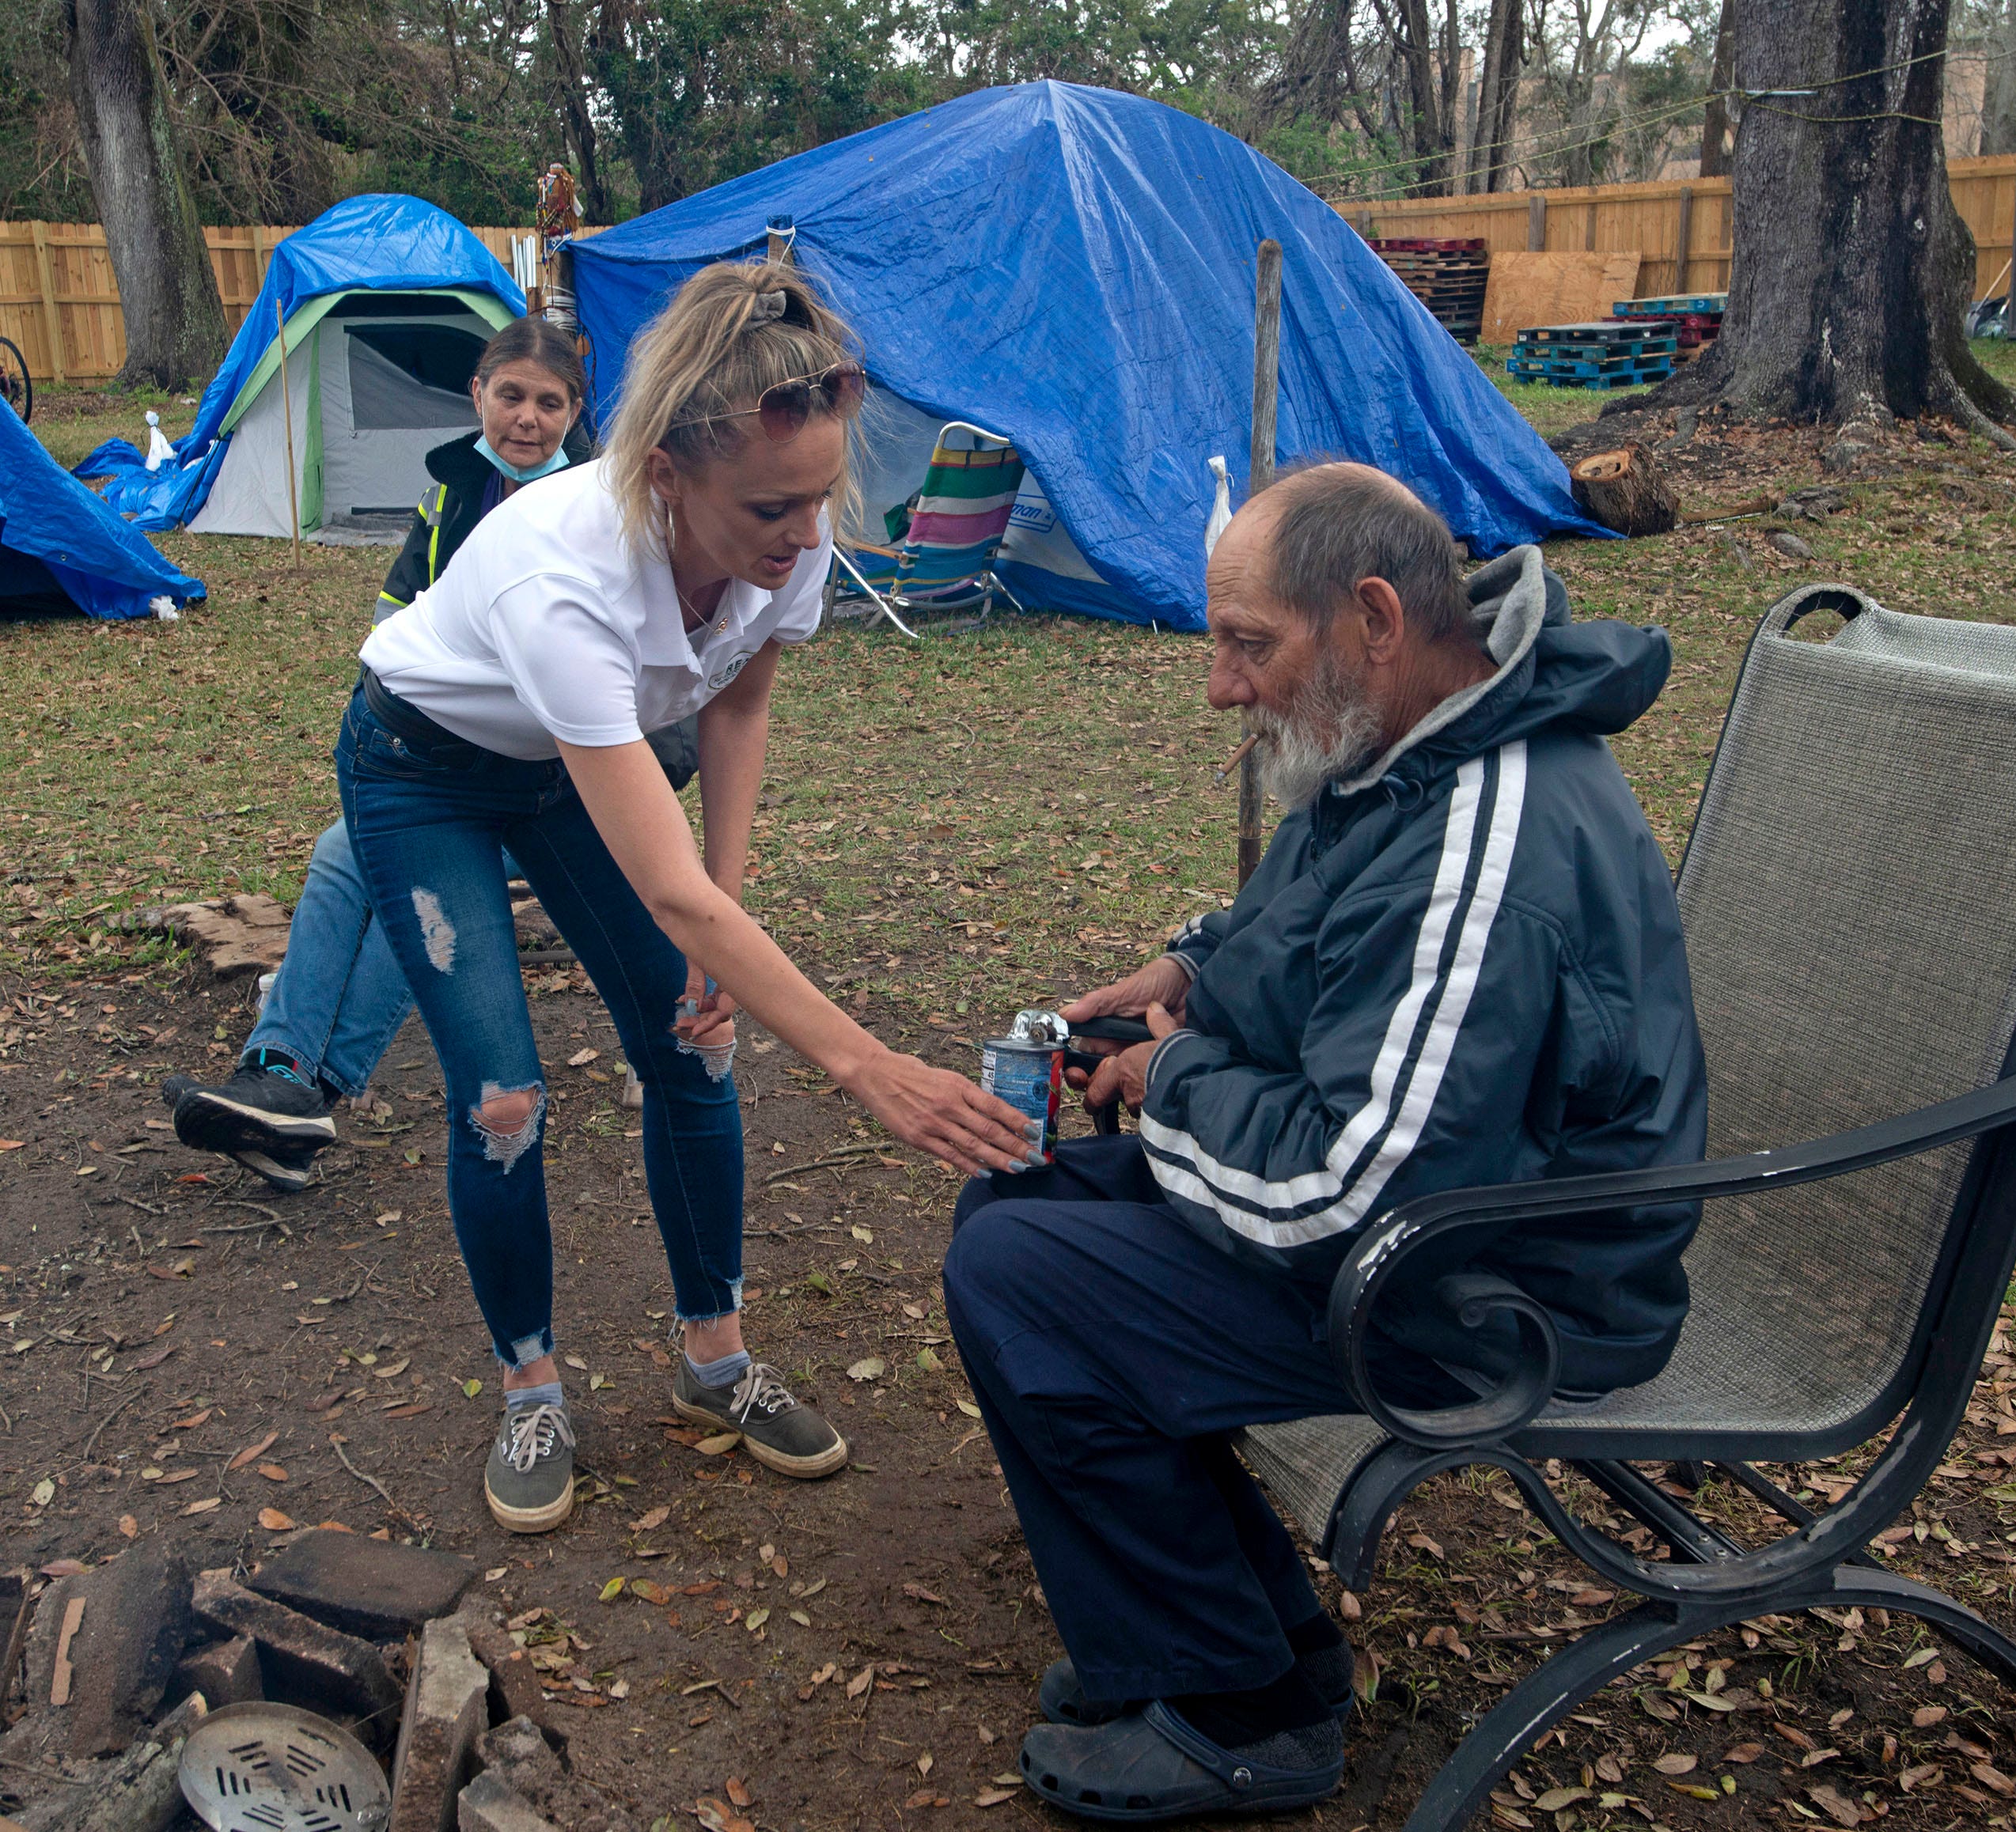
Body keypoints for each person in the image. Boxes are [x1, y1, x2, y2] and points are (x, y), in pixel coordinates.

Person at [939, 464, 1708, 1823]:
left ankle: (1253, 1713)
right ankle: (1233, 1637)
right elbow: (1323, 932)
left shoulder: (1491, 842)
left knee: (1027, 1277)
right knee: (1015, 1205)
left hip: (1501, 1289)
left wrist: (1172, 1073)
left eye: (1248, 644)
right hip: (1443, 1216)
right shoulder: (1418, 734)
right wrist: (1191, 972)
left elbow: (1344, 1193)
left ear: (1370, 616)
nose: (1222, 686)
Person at [339, 259, 1036, 1534]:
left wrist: (729, 891)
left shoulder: (789, 536)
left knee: (696, 1042)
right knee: (503, 1096)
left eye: (820, 499)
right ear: (665, 470)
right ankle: (529, 1383)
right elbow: (662, 887)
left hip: (567, 770)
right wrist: (867, 1066)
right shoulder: (566, 580)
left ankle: (715, 1359)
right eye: (772, 506)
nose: (805, 535)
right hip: (423, 772)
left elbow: (742, 694)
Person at [162, 320, 699, 1190]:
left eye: (549, 402)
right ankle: (291, 1086)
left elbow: (669, 693)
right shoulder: (452, 489)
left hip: (563, 781)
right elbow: (399, 622)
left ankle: (298, 1084)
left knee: (374, 864)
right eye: (511, 395)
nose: (526, 418)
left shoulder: (607, 507)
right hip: (440, 753)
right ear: (476, 395)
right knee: (355, 855)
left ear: (575, 413)